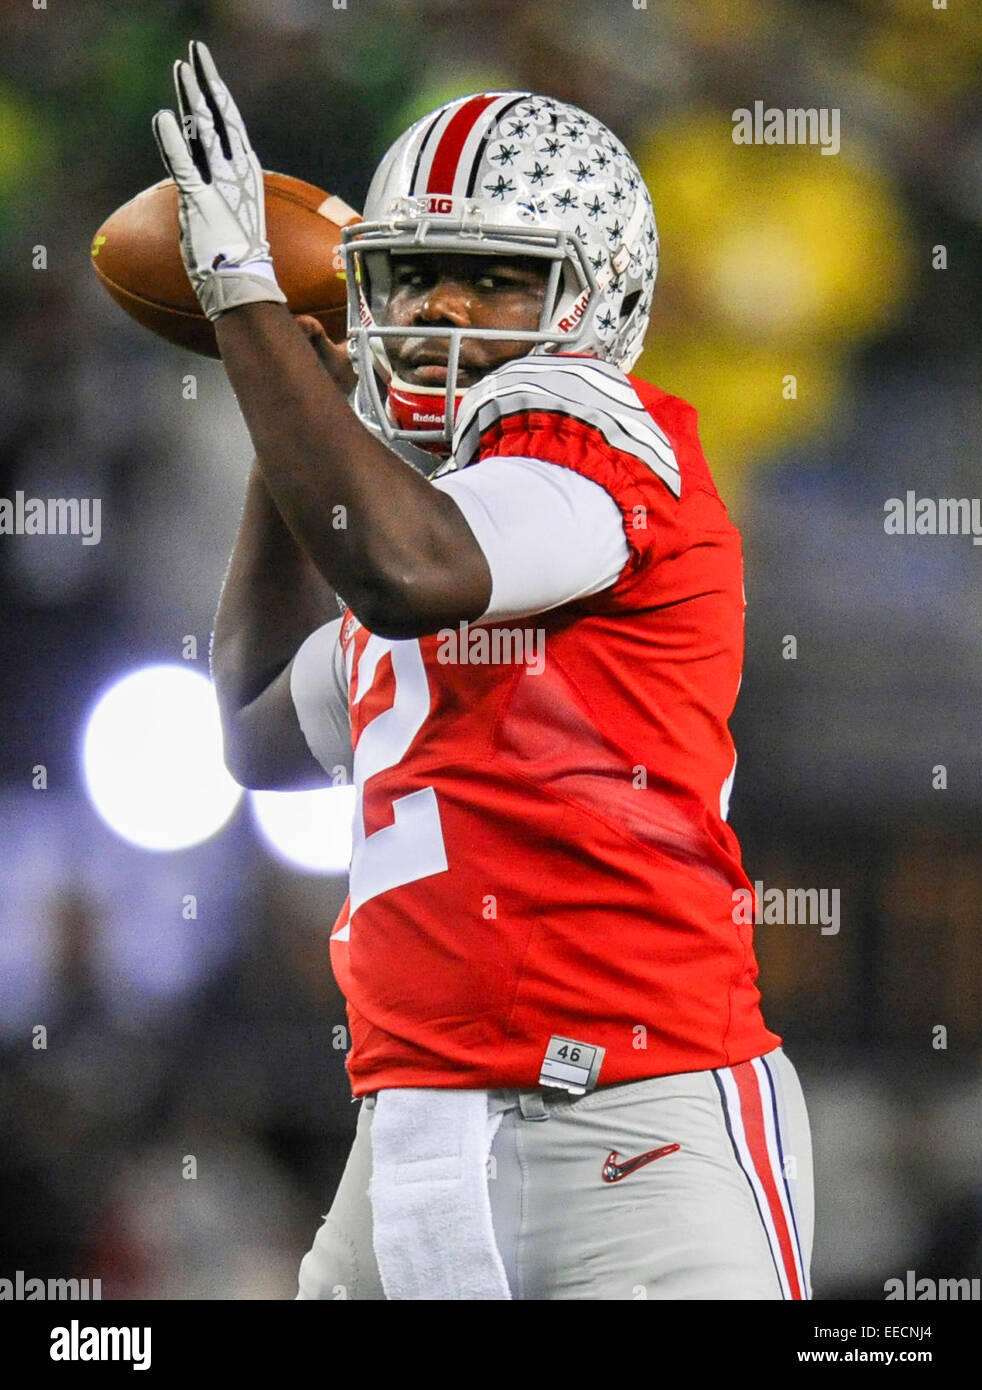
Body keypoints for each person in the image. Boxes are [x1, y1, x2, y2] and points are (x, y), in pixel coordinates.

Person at [153, 41, 814, 1301]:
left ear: (591, 300)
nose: (442, 309)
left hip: (635, 1125)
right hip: (410, 1135)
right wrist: (291, 420)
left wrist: (244, 304)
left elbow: (412, 569)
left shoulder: (602, 448)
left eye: (495, 279)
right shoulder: (435, 522)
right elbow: (246, 734)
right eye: (414, 276)